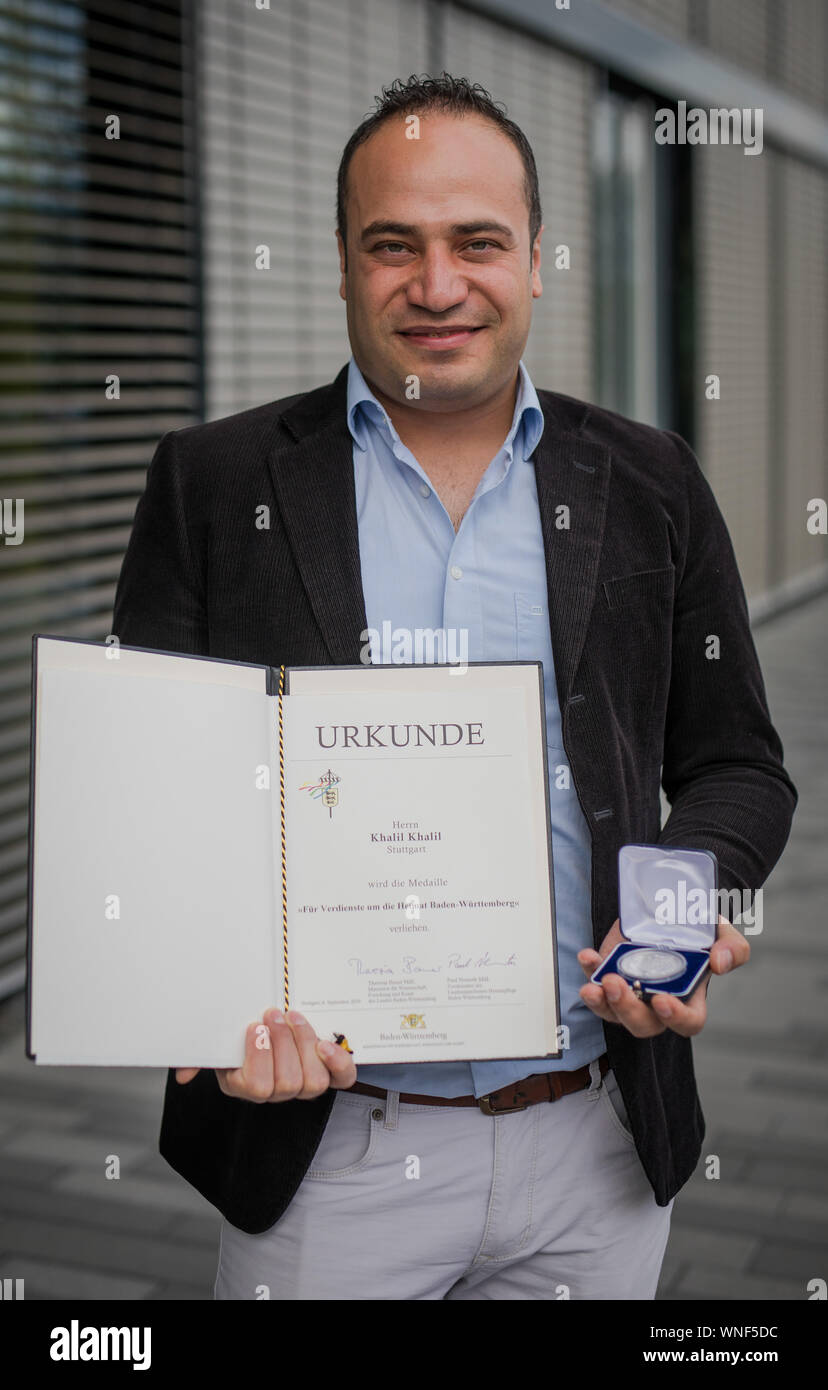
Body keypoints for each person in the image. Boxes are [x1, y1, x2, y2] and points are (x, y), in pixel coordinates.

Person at [111, 73, 797, 1300]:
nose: (436, 286)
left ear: (538, 258)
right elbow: (150, 798)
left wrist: (671, 921)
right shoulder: (213, 484)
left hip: (596, 1138)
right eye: (394, 245)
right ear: (340, 262)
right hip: (326, 1150)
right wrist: (204, 1008)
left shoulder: (650, 478)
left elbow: (738, 765)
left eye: (478, 242)